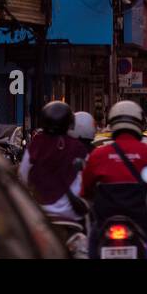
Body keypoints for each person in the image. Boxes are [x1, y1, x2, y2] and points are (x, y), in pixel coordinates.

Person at [82, 101, 147, 258]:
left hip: (104, 225)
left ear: (112, 123)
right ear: (139, 123)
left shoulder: (98, 155)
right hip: (141, 225)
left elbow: (85, 191)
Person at [18, 100, 90, 245]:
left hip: (40, 217)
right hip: (71, 218)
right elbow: (88, 180)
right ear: (69, 123)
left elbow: (22, 177)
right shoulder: (78, 147)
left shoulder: (36, 145)